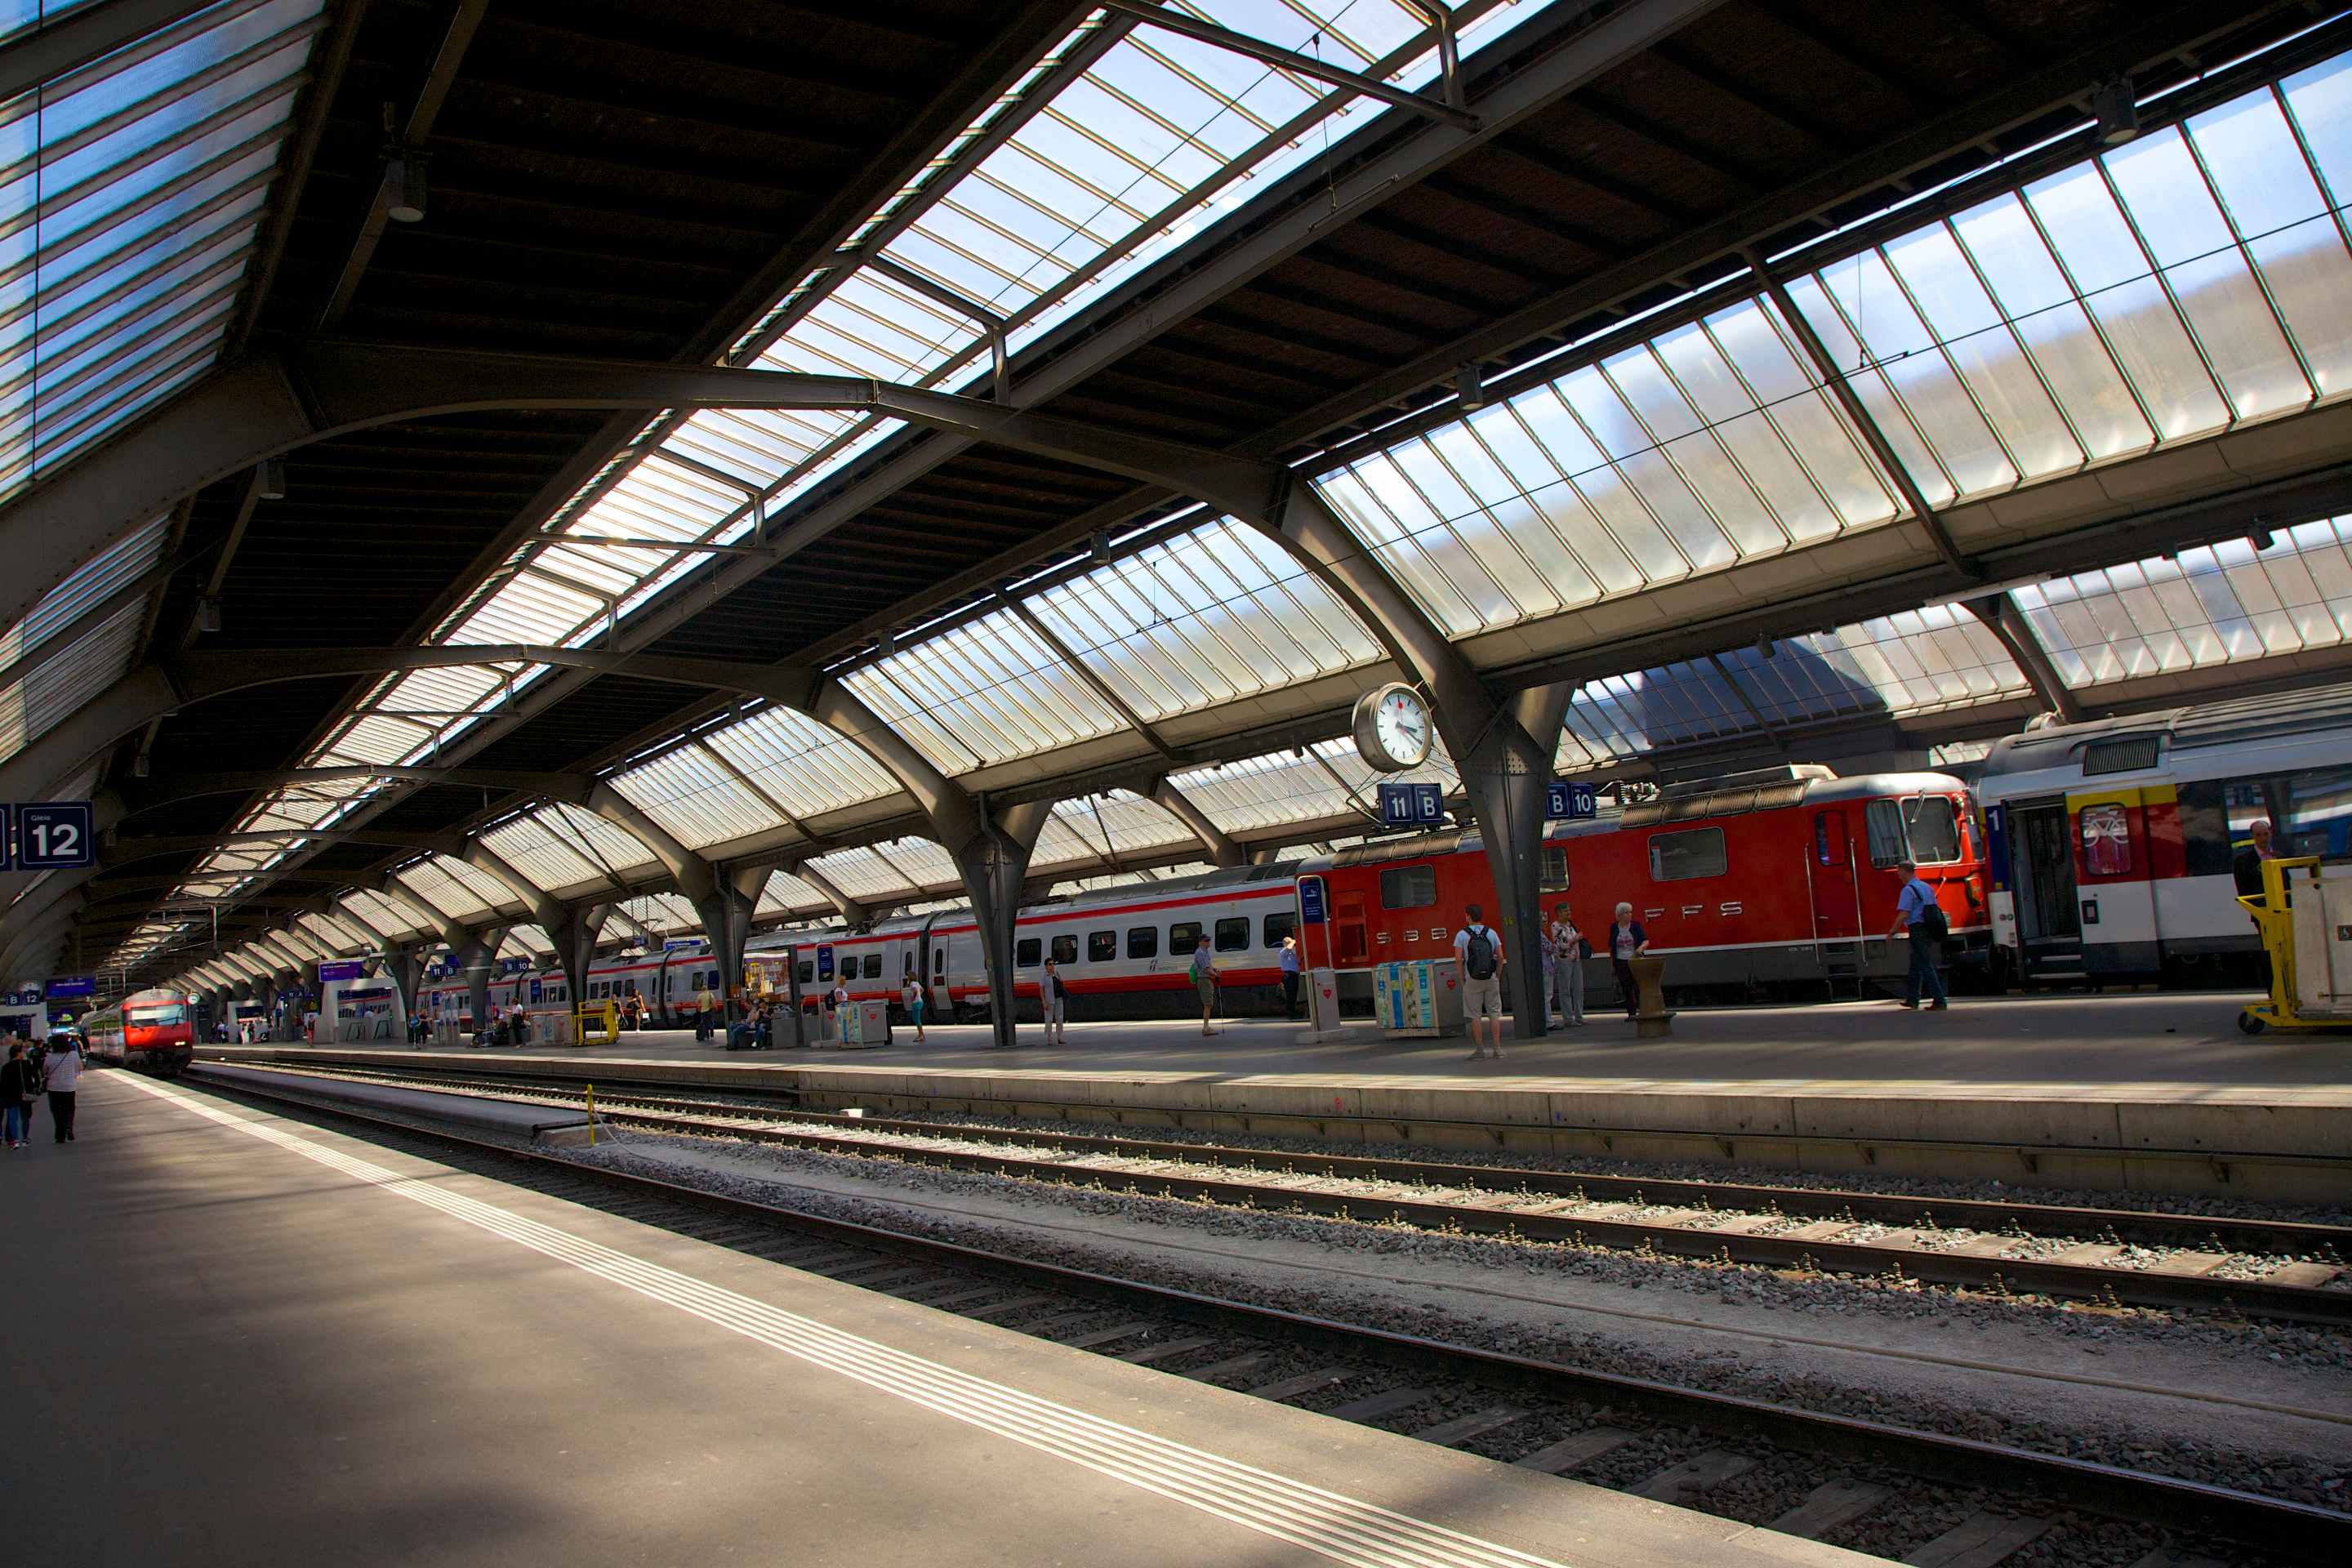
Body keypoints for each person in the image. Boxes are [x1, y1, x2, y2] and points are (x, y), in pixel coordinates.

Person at [1887, 858, 1949, 1011]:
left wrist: (1892, 931)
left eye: (1899, 873)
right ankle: (1913, 999)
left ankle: (1939, 1001)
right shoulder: (1926, 887)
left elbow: (1904, 914)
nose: (1898, 876)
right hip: (1928, 928)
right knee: (1916, 964)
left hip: (1917, 929)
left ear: (1904, 872)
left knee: (1925, 965)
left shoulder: (1908, 890)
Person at [1454, 902, 1505, 1060]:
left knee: (1475, 1015)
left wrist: (1462, 978)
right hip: (1491, 978)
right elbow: (1501, 957)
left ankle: (1480, 1050)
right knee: (1494, 1013)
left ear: (1468, 916)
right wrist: (1497, 975)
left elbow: (1458, 959)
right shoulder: (1492, 933)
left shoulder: (1461, 935)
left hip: (1472, 979)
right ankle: (1497, 1049)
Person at [1607, 902, 1649, 1021]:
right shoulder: (1614, 927)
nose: (1629, 915)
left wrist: (1641, 948)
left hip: (1635, 960)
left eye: (1630, 912)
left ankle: (1643, 1010)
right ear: (1619, 915)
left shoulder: (1636, 926)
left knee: (1638, 986)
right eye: (1626, 913)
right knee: (1626, 987)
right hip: (1620, 961)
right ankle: (1631, 1013)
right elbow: (1612, 946)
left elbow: (1645, 941)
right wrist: (1612, 963)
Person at [1550, 902, 1586, 1027]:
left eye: (1569, 910)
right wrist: (1576, 939)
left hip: (1575, 960)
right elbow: (1561, 945)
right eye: (1566, 911)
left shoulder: (1570, 926)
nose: (1569, 913)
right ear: (1559, 913)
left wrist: (1578, 954)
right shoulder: (1556, 927)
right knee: (1565, 989)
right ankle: (1568, 1019)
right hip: (1564, 960)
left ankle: (1580, 1016)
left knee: (1578, 989)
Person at [42, 1033, 80, 1143]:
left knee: (57, 1112)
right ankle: (69, 1126)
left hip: (53, 1088)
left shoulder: (49, 1057)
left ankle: (60, 1136)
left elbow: (44, 1071)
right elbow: (80, 1067)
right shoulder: (74, 1055)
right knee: (69, 1109)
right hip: (69, 1087)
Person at [2233, 817, 2279, 902]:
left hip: (2284, 908)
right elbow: (2243, 891)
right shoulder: (2242, 861)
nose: (2263, 839)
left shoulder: (2280, 856)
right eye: (2258, 835)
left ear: (2270, 833)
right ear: (2252, 835)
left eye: (2266, 834)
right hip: (2260, 910)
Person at [2, 1040, 32, 1149]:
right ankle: (24, 1139)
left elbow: (3, 1084)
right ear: (18, 1053)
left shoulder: (5, 1067)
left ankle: (13, 1141)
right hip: (24, 1095)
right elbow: (30, 1081)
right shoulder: (26, 1064)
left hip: (11, 1096)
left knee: (13, 1119)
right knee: (25, 1118)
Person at [1189, 935, 1219, 1036]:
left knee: (1208, 1004)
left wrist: (1215, 970)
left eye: (1209, 940)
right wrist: (1215, 975)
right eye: (1206, 941)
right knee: (1208, 1005)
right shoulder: (1200, 953)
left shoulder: (1205, 952)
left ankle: (1206, 1027)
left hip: (1207, 979)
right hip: (1204, 980)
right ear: (1200, 942)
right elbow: (1206, 969)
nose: (1209, 942)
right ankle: (1205, 1028)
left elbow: (1209, 966)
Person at [1040, 960, 1068, 1046]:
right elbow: (1041, 990)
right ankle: (1049, 1038)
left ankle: (1059, 1037)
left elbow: (1061, 984)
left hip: (1058, 999)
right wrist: (1044, 1002)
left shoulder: (1057, 974)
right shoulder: (1044, 976)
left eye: (1053, 964)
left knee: (1059, 1018)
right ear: (1046, 966)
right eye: (1050, 964)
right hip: (1049, 1001)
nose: (1052, 966)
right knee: (1049, 1019)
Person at [1278, 934, 1303, 1020]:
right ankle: (1290, 1014)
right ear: (1285, 943)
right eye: (1289, 942)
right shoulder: (1283, 952)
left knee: (1293, 995)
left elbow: (1297, 963)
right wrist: (1294, 940)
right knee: (1290, 995)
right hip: (1289, 975)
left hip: (1294, 975)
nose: (1292, 944)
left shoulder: (1292, 954)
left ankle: (1293, 1012)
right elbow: (1289, 947)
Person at [903, 975, 926, 1043]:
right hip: (920, 1001)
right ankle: (921, 1035)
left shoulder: (912, 984)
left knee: (917, 1019)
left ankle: (921, 1035)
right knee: (916, 1019)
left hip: (916, 1003)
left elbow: (915, 990)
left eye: (908, 977)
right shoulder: (917, 983)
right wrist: (919, 996)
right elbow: (922, 989)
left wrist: (914, 997)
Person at [693, 978, 717, 1043]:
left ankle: (706, 1037)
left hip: (703, 1012)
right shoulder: (710, 994)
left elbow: (697, 1003)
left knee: (704, 1024)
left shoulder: (700, 995)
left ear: (702, 990)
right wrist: (715, 1008)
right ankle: (712, 1037)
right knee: (711, 1023)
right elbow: (714, 1001)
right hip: (709, 1011)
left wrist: (699, 1009)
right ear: (707, 989)